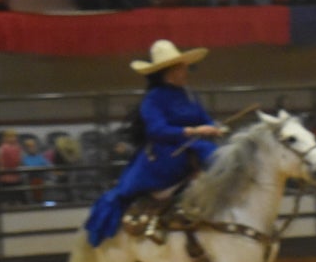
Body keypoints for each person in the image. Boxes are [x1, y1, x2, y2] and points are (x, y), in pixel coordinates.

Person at [83, 40, 227, 246]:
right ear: (169, 72)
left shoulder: (190, 94)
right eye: (181, 68)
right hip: (166, 151)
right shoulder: (153, 98)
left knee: (220, 154)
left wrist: (214, 127)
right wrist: (194, 131)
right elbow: (157, 130)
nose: (185, 71)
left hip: (194, 145)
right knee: (212, 156)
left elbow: (204, 119)